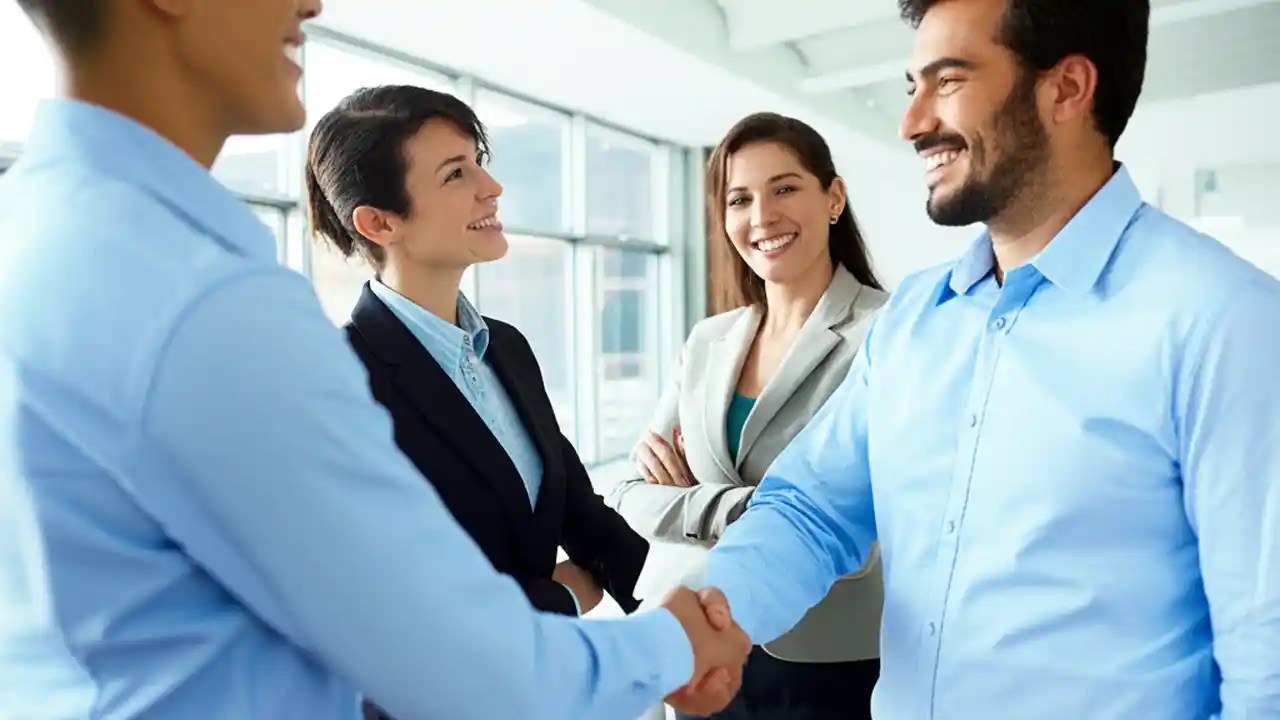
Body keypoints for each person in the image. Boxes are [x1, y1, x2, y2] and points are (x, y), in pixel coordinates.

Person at [0, 1, 751, 718]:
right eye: (455, 173)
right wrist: (671, 642)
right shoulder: (207, 303)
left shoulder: (40, 235)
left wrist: (638, 601)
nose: (310, 5)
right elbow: (454, 660)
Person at [678, 0, 1280, 718]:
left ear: (1066, 88)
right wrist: (705, 619)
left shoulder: (1225, 320)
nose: (911, 123)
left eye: (949, 81)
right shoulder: (912, 318)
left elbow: (1266, 654)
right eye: (911, 88)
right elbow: (812, 510)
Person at [306, 84, 648, 639]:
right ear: (380, 224)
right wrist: (563, 595)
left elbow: (578, 513)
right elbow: (397, 605)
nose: (491, 188)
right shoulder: (342, 381)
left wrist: (696, 618)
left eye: (477, 164)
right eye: (455, 174)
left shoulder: (505, 348)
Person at [608, 112, 887, 720]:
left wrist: (695, 500)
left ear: (833, 197)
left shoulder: (887, 332)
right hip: (709, 645)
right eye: (740, 199)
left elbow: (864, 527)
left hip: (829, 660)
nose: (762, 216)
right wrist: (749, 507)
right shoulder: (709, 340)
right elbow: (628, 493)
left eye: (784, 188)